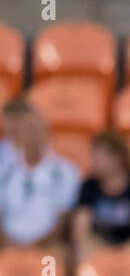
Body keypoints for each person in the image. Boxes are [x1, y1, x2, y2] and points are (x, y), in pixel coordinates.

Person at [0, 99, 81, 248]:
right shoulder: (5, 171)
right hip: (7, 245)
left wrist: (38, 245)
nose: (32, 136)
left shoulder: (65, 172)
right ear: (19, 135)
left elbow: (63, 220)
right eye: (27, 130)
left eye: (36, 130)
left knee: (53, 260)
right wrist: (8, 245)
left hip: (47, 246)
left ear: (47, 134)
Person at [72, 130, 130, 259]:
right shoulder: (89, 186)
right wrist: (103, 252)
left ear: (118, 158)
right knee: (81, 252)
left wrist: (126, 251)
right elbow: (80, 231)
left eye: (100, 158)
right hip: (97, 250)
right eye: (94, 157)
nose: (95, 162)